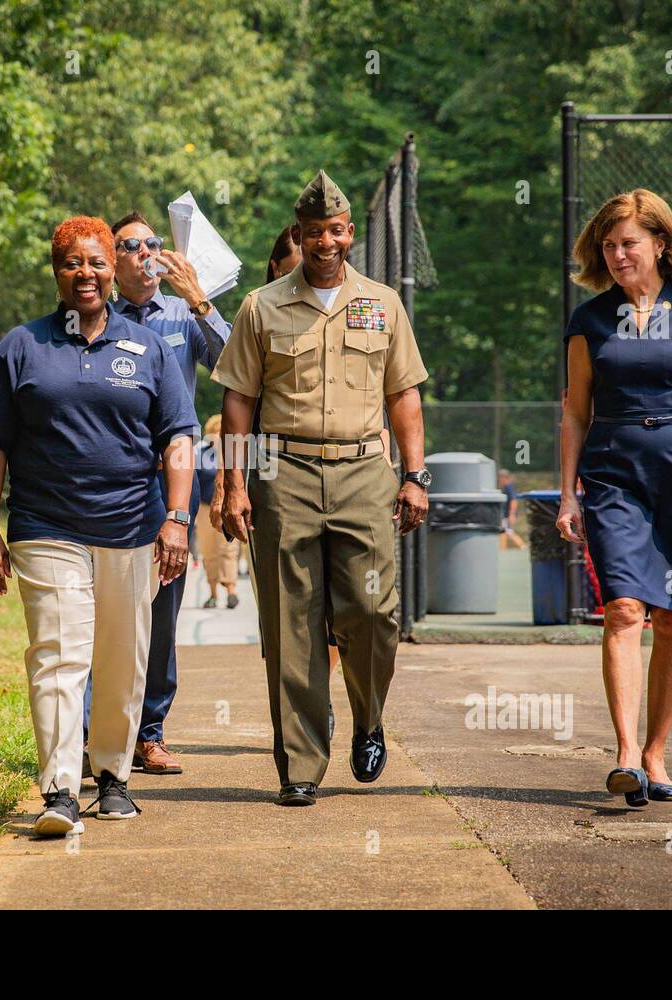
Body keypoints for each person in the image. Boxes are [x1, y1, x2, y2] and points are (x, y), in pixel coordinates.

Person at [0, 215, 196, 837]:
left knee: (122, 661)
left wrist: (177, 519)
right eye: (73, 263)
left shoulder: (148, 348)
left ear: (113, 269)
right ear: (56, 271)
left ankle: (113, 776)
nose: (86, 274)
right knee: (58, 655)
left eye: (97, 262)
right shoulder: (21, 347)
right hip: (46, 526)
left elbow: (178, 438)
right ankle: (60, 791)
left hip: (132, 529)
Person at [212, 170, 430, 806]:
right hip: (284, 474)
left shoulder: (383, 304)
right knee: (291, 623)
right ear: (299, 235)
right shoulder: (261, 306)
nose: (324, 242)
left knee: (373, 611)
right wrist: (234, 483)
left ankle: (368, 718)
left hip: (364, 472)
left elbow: (403, 394)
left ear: (350, 233)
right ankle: (301, 765)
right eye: (313, 232)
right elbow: (238, 400)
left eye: (334, 230)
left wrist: (414, 476)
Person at [557, 188, 672, 808]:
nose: (618, 255)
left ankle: (656, 752)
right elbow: (574, 412)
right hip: (613, 472)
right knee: (623, 609)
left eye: (629, 243)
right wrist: (568, 494)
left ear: (661, 244)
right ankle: (625, 755)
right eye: (608, 245)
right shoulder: (589, 320)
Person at [79, 209, 231, 778]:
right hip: (108, 480)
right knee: (99, 610)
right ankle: (89, 735)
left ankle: (149, 733)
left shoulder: (182, 314)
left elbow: (238, 366)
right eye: (131, 246)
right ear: (111, 262)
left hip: (172, 480)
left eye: (153, 243)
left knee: (161, 611)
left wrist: (199, 299)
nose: (146, 253)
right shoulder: (95, 317)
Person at [195, 415, 239, 609]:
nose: (217, 436)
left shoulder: (234, 455)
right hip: (205, 508)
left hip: (228, 508)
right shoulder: (200, 453)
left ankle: (231, 591)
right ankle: (213, 593)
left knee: (228, 549)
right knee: (209, 551)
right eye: (215, 432)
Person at [497, 468, 525, 549]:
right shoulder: (506, 487)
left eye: (500, 477)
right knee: (503, 531)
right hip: (505, 515)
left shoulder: (509, 487)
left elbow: (514, 500)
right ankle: (503, 548)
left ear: (504, 477)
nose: (499, 480)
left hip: (508, 515)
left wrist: (512, 514)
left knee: (508, 531)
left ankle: (522, 546)